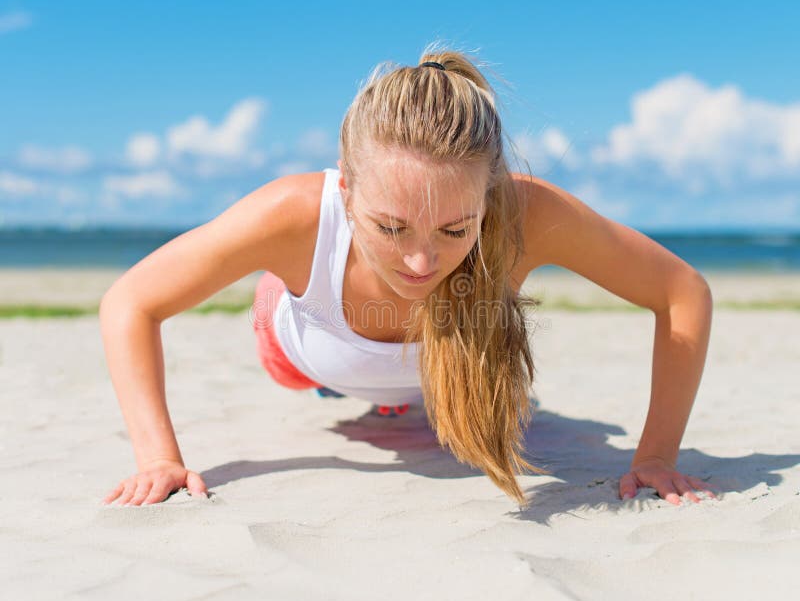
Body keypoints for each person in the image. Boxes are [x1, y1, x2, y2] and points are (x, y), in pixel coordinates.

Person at [100, 44, 718, 509]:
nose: (421, 264)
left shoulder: (528, 211)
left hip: (440, 358)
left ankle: (407, 387)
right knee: (293, 347)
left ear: (489, 194)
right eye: (391, 228)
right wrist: (159, 459)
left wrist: (658, 457)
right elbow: (131, 301)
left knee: (469, 383)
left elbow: (682, 292)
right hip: (306, 354)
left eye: (455, 230)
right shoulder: (293, 214)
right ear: (346, 189)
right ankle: (325, 355)